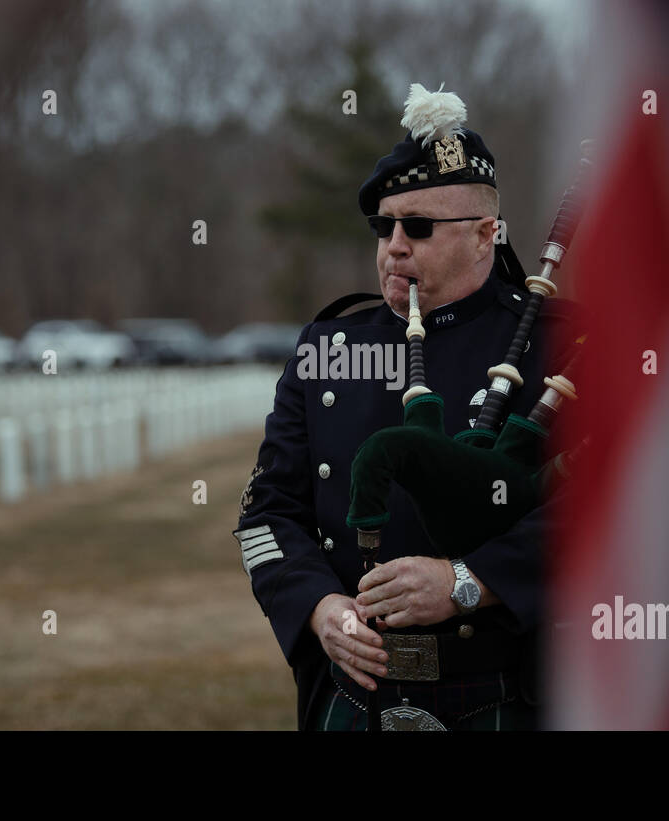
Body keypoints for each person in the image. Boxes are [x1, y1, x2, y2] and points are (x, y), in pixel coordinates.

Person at [234, 84, 580, 730]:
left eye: (417, 227)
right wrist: (321, 609)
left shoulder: (559, 345)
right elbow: (265, 516)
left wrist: (467, 581)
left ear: (484, 235)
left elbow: (604, 507)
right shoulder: (327, 349)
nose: (394, 245)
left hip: (503, 697)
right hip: (354, 697)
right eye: (384, 225)